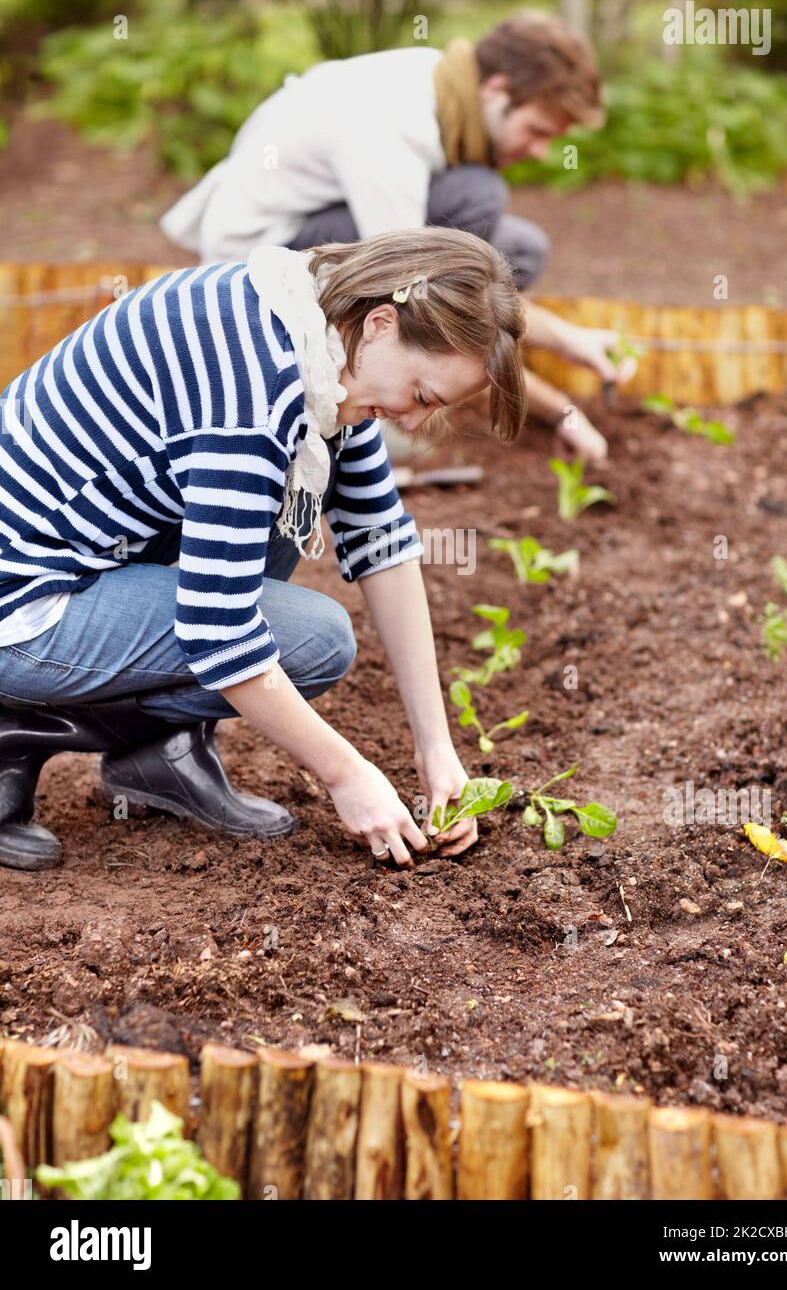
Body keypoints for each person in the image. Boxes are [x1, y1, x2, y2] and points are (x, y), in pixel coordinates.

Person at [0, 227, 524, 872]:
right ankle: (17, 726)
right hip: (23, 602)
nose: (412, 421)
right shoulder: (255, 388)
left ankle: (157, 756)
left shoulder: (317, 334)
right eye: (421, 395)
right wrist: (346, 775)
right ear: (383, 322)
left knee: (274, 516)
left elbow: (379, 536)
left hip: (91, 547)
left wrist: (436, 750)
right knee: (316, 641)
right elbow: (215, 629)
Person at [160, 11, 636, 462]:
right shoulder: (393, 127)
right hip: (256, 264)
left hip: (306, 222)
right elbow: (430, 289)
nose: (540, 150)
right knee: (476, 201)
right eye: (535, 130)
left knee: (518, 247)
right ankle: (367, 397)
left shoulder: (441, 82)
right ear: (497, 89)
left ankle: (411, 369)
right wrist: (563, 412)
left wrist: (569, 340)